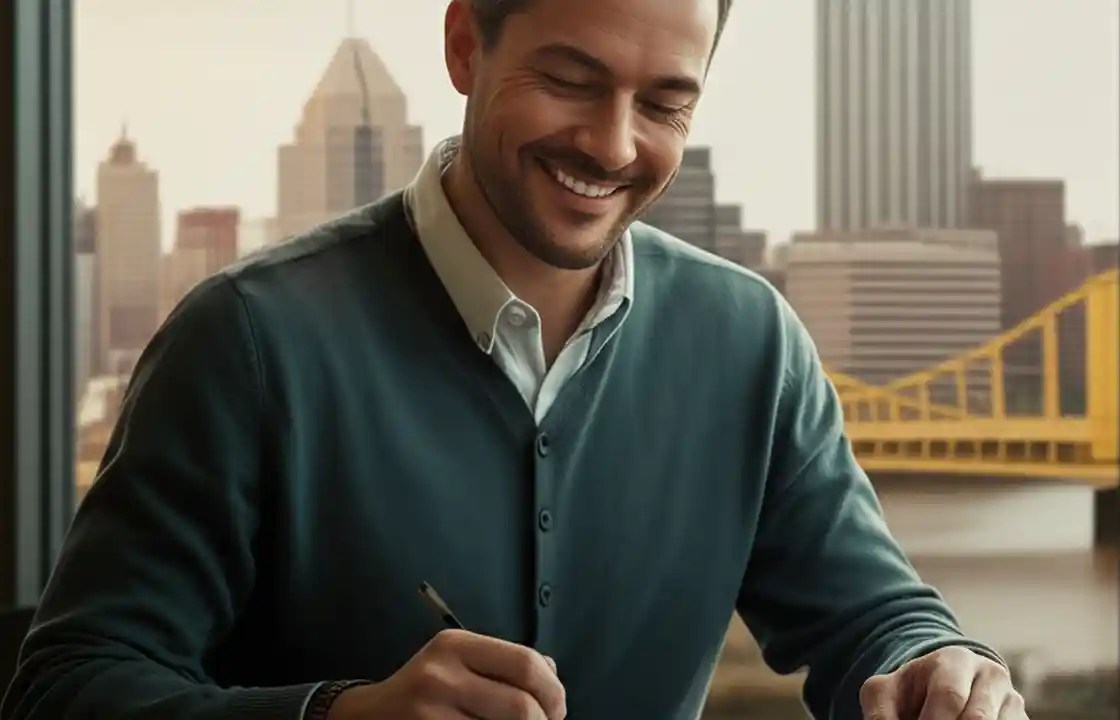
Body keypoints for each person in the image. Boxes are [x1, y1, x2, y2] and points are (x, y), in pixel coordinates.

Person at [2, 0, 1029, 718]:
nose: (615, 144)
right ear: (463, 44)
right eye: (571, 80)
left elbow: (874, 624)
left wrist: (936, 667)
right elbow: (67, 686)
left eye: (665, 103)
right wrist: (338, 717)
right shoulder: (245, 340)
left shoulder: (751, 343)